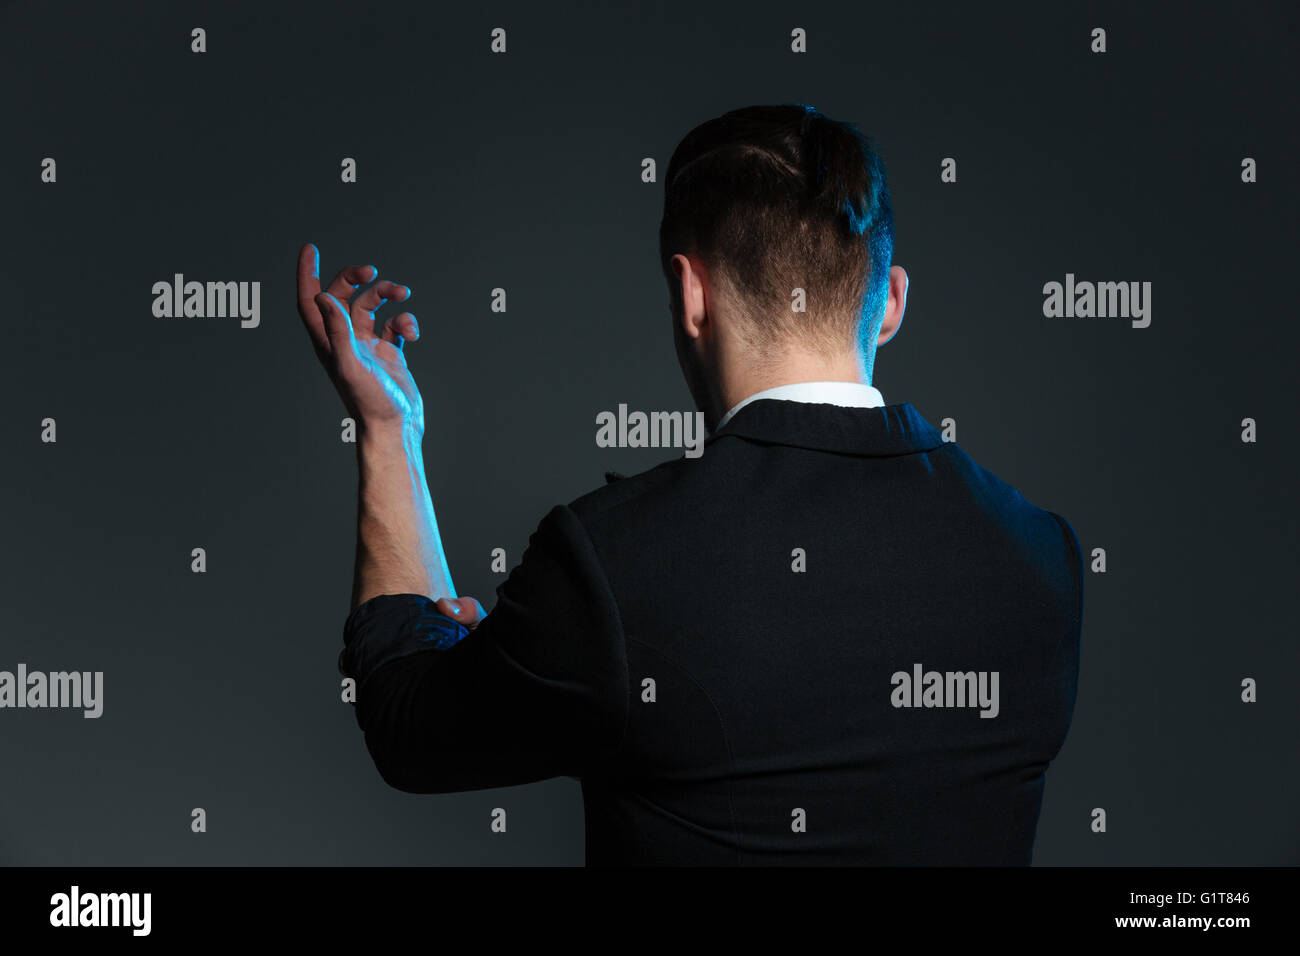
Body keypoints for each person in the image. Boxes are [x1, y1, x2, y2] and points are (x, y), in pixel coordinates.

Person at [295, 103, 1082, 865]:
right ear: (891, 304)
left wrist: (389, 429)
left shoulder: (610, 566)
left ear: (691, 293)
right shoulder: (1042, 556)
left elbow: (410, 727)